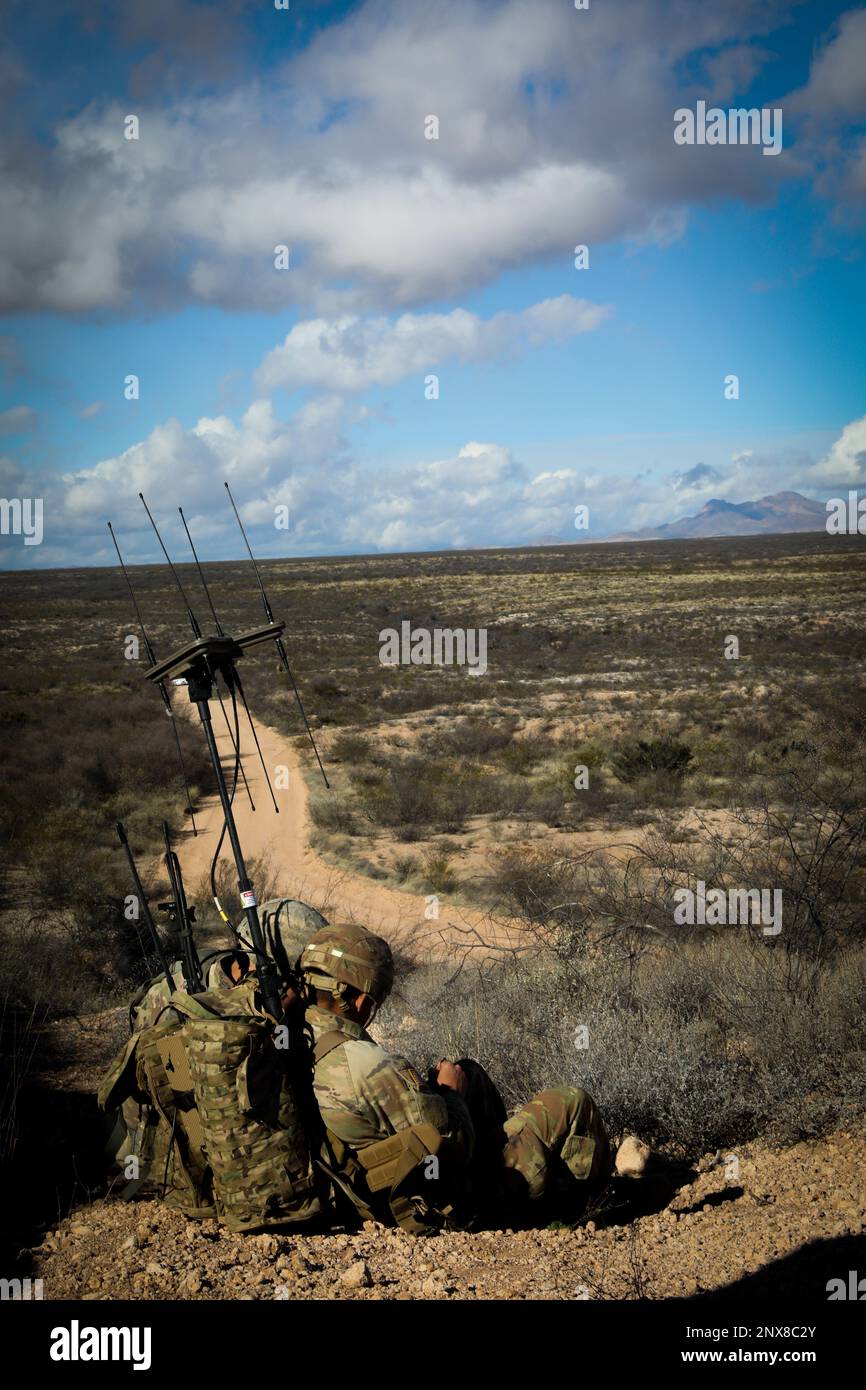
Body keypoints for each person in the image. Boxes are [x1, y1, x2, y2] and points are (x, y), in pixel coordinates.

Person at [300, 922, 612, 1233]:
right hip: (439, 1200)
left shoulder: (298, 1041)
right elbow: (451, 1147)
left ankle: (512, 1162)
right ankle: (576, 1213)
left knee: (470, 1072)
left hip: (364, 1188)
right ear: (358, 999)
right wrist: (450, 1093)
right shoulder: (368, 1065)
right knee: (571, 1101)